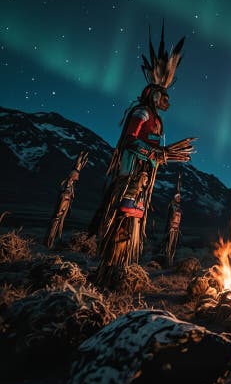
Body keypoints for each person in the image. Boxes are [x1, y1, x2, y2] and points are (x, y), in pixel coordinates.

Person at [95, 24, 194, 289]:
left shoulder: (154, 118)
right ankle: (110, 270)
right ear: (153, 93)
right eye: (164, 95)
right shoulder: (142, 114)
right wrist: (155, 153)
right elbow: (130, 140)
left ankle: (120, 271)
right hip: (131, 175)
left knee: (133, 220)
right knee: (122, 221)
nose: (167, 101)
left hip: (142, 177)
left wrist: (157, 157)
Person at [45, 151, 88, 248]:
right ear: (73, 176)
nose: (78, 177)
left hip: (66, 203)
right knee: (57, 219)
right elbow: (63, 194)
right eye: (77, 175)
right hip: (63, 202)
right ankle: (50, 241)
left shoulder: (71, 184)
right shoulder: (67, 184)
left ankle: (54, 240)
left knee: (60, 221)